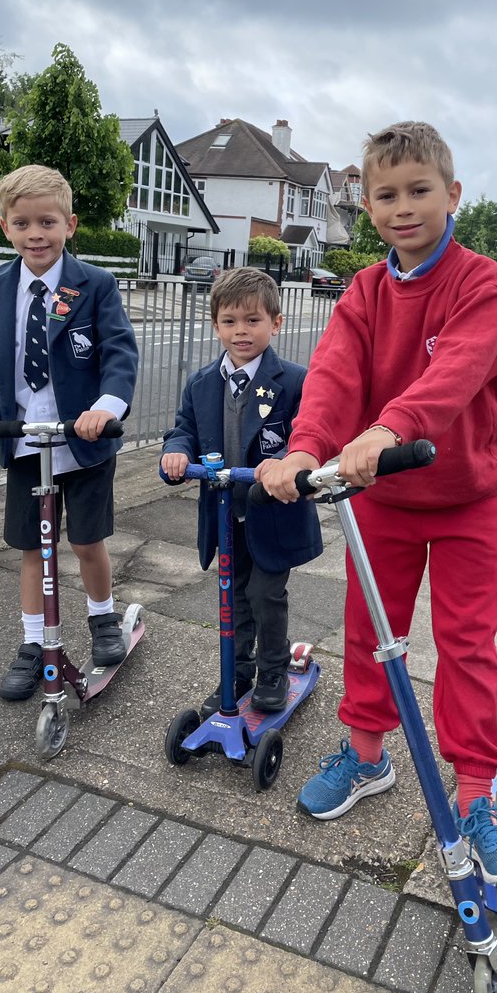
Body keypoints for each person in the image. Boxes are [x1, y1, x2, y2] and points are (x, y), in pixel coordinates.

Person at [256, 122, 497, 886]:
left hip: (466, 496)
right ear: (368, 205)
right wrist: (306, 448)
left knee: (466, 642)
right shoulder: (364, 291)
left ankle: (476, 789)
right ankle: (366, 754)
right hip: (381, 497)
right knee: (368, 630)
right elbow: (335, 373)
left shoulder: (481, 281)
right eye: (386, 195)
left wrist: (387, 427)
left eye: (419, 191)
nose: (403, 207)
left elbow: (456, 370)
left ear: (453, 194)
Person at [0, 164, 138, 701]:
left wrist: (106, 407)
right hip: (25, 441)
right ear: (5, 228)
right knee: (33, 548)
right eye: (23, 224)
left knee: (86, 540)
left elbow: (119, 353)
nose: (36, 234)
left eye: (48, 222)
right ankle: (34, 642)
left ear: (69, 225)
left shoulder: (95, 285)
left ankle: (103, 617)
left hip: (84, 440)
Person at [161, 267, 322, 715]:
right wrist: (176, 453)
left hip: (272, 514)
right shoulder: (201, 383)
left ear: (276, 323)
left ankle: (273, 670)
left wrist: (287, 461)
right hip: (224, 514)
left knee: (265, 595)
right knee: (232, 595)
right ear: (216, 325)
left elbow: (307, 434)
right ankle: (237, 670)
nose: (241, 331)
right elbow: (185, 429)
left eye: (253, 320)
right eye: (230, 321)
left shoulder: (294, 380)